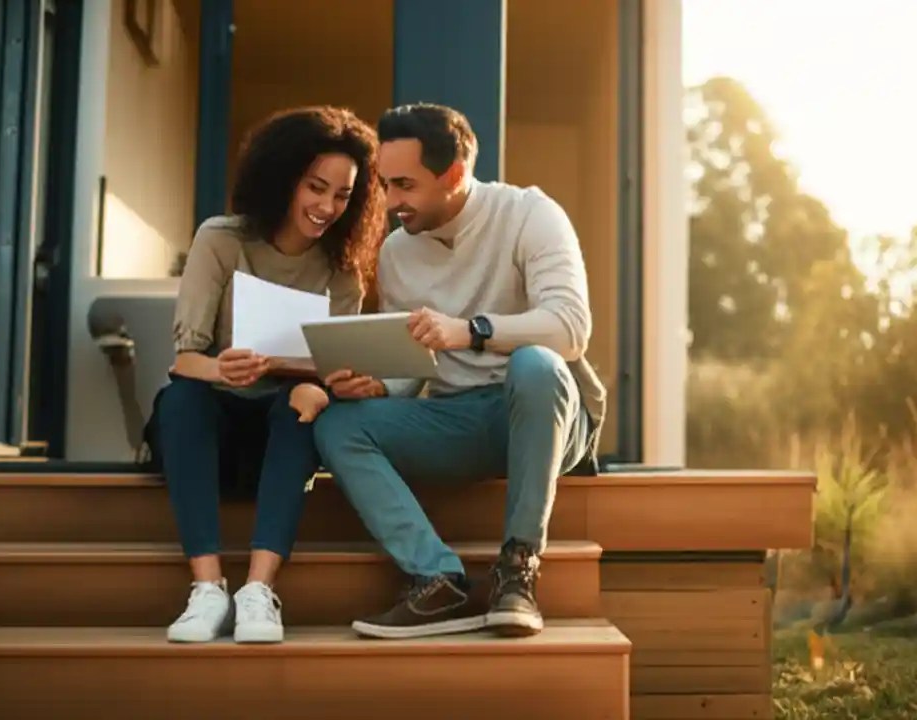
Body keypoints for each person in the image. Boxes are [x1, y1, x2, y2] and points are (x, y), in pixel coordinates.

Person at [312, 103, 607, 639]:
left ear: (453, 174)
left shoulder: (530, 215)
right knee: (338, 424)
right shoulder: (398, 252)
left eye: (404, 184)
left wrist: (471, 330)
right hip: (458, 419)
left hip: (545, 416)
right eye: (384, 184)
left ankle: (518, 570)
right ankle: (436, 579)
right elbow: (415, 366)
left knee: (536, 364)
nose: (390, 201)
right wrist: (380, 383)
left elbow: (569, 329)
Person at [151, 106, 385, 644]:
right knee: (182, 398)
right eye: (315, 187)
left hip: (284, 429)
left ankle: (258, 590)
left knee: (301, 409)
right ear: (284, 177)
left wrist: (326, 385)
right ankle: (207, 589)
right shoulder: (221, 239)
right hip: (213, 421)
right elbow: (183, 359)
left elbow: (330, 365)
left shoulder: (343, 268)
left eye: (343, 195)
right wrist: (222, 368)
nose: (327, 206)